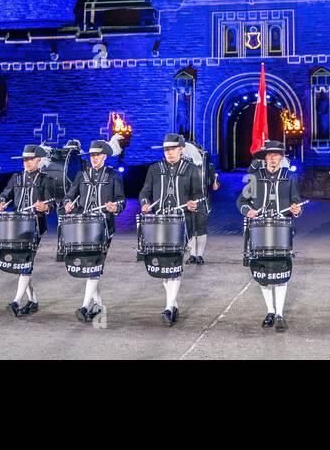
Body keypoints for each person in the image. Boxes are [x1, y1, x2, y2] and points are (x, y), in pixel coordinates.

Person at [239, 140, 302, 330]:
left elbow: (296, 203)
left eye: (276, 155)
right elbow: (242, 201)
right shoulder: (254, 177)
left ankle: (280, 313)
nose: (273, 158)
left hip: (282, 230)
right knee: (263, 271)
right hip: (259, 230)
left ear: (281, 158)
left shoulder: (290, 177)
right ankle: (270, 311)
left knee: (281, 271)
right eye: (270, 155)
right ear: (265, 158)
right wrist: (247, 210)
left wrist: (296, 209)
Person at [138, 133, 200, 326]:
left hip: (181, 222)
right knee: (165, 267)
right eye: (166, 150)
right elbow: (144, 192)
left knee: (174, 263)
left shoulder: (190, 169)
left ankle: (168, 306)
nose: (169, 153)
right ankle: (172, 304)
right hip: (158, 223)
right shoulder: (154, 169)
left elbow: (198, 195)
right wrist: (145, 203)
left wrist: (193, 204)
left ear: (181, 150)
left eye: (172, 149)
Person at [62, 138, 127, 322]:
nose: (94, 158)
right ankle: (98, 305)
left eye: (97, 155)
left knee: (93, 266)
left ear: (105, 156)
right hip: (83, 227)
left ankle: (84, 307)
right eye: (92, 155)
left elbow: (121, 200)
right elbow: (69, 196)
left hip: (103, 227)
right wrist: (68, 204)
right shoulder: (81, 176)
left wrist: (115, 207)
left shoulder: (113, 176)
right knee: (91, 266)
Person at [0, 144, 56, 316]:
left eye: (30, 159)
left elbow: (53, 202)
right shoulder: (16, 178)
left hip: (35, 225)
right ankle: (33, 301)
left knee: (26, 261)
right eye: (25, 160)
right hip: (16, 225)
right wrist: (1, 201)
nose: (27, 162)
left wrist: (45, 207)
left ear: (38, 160)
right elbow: (6, 193)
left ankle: (16, 301)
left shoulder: (46, 180)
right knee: (21, 263)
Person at [185, 144, 219, 264]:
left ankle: (200, 255)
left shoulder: (207, 166)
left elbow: (214, 183)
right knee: (190, 229)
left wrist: (215, 183)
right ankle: (192, 254)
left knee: (201, 229)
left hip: (201, 201)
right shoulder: (185, 166)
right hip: (187, 202)